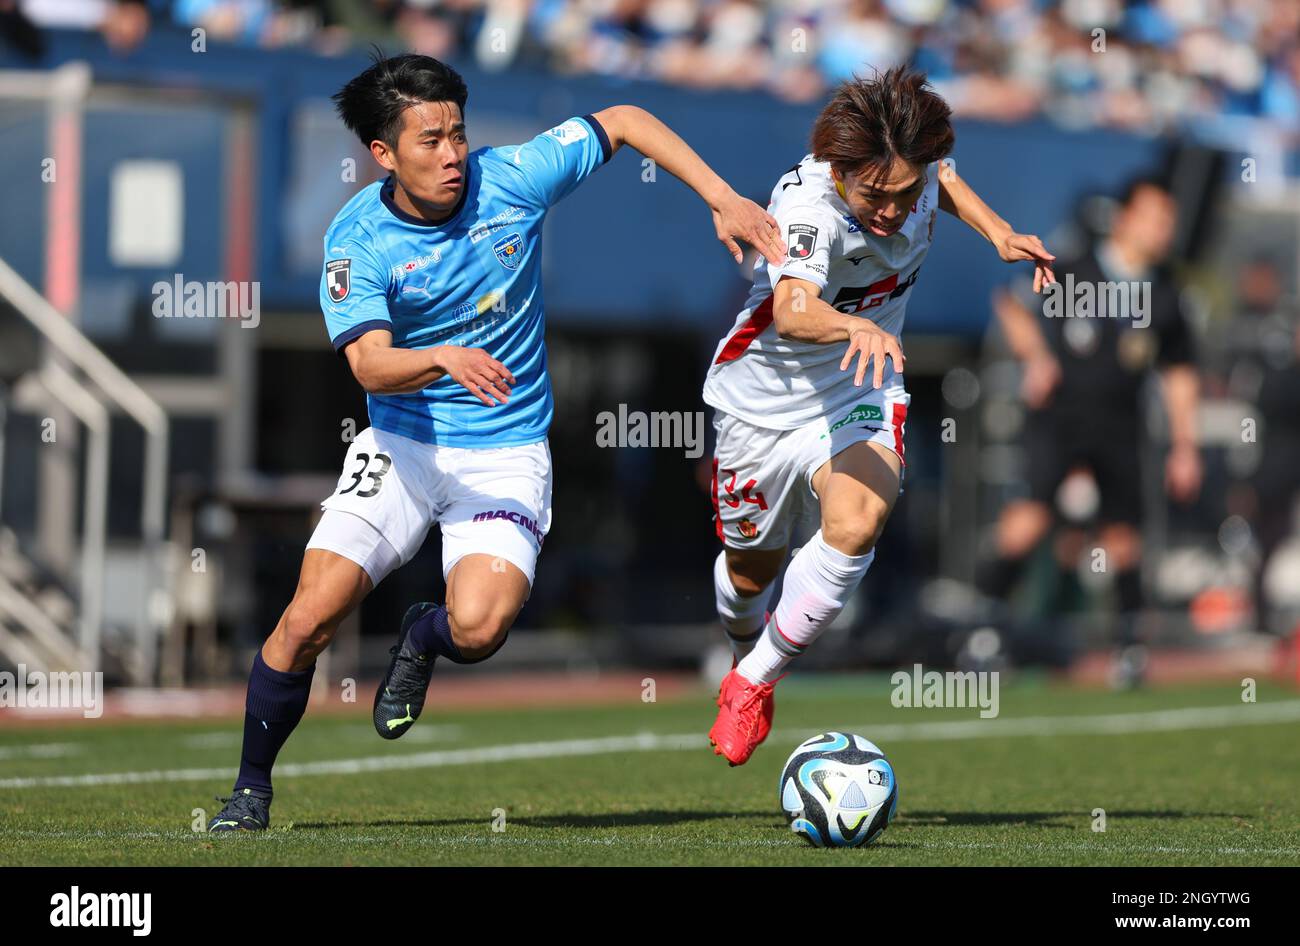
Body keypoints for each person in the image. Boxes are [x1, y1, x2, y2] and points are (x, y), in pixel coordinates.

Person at [208, 52, 785, 831]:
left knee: (477, 629)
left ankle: (423, 632)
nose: (451, 155)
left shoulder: (511, 177)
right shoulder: (358, 239)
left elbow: (625, 120)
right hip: (404, 446)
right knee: (310, 617)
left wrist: (720, 197)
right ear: (383, 154)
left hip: (506, 451)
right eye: (429, 141)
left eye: (458, 134)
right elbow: (370, 364)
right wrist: (442, 356)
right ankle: (250, 791)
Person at [703, 66, 1055, 766]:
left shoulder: (914, 174)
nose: (892, 209)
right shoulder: (807, 206)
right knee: (749, 574)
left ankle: (751, 680)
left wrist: (998, 232)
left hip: (857, 389)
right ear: (841, 170)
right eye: (876, 194)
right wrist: (853, 326)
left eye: (905, 192)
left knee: (859, 519)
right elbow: (796, 309)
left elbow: (944, 178)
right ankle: (749, 645)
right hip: (763, 403)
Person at [978, 175, 1202, 687]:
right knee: (1028, 520)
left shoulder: (1167, 292)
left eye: (1168, 220)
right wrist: (1035, 357)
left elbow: (1180, 372)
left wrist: (1185, 446)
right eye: (1152, 216)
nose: (1162, 229)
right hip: (1058, 418)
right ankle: (984, 635)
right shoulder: (1073, 268)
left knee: (1123, 537)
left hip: (1122, 425)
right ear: (1124, 217)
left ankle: (1129, 651)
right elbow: (1010, 303)